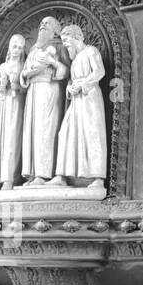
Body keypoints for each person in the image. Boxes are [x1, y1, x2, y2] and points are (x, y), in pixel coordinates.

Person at [52, 24, 107, 189]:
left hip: (90, 98)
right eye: (63, 42)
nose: (66, 44)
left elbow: (99, 72)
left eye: (67, 41)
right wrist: (70, 87)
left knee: (92, 134)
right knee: (66, 133)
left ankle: (97, 177)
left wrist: (83, 84)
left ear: (77, 38)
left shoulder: (91, 51)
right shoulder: (75, 59)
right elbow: (73, 80)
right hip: (77, 100)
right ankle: (62, 175)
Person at [20, 16, 68, 185]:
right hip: (33, 91)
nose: (42, 26)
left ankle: (44, 173)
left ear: (55, 30)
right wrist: (27, 74)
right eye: (41, 24)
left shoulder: (59, 46)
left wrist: (51, 63)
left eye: (47, 24)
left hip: (49, 88)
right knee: (32, 131)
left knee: (45, 130)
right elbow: (24, 72)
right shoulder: (33, 49)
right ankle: (33, 174)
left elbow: (64, 72)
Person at [0, 34, 27, 189]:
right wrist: (1, 87)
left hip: (16, 103)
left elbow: (26, 87)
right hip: (2, 104)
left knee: (12, 139)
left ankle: (9, 178)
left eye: (19, 47)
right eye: (14, 46)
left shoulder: (23, 66)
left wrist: (15, 84)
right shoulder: (3, 66)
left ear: (23, 50)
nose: (16, 50)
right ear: (9, 47)